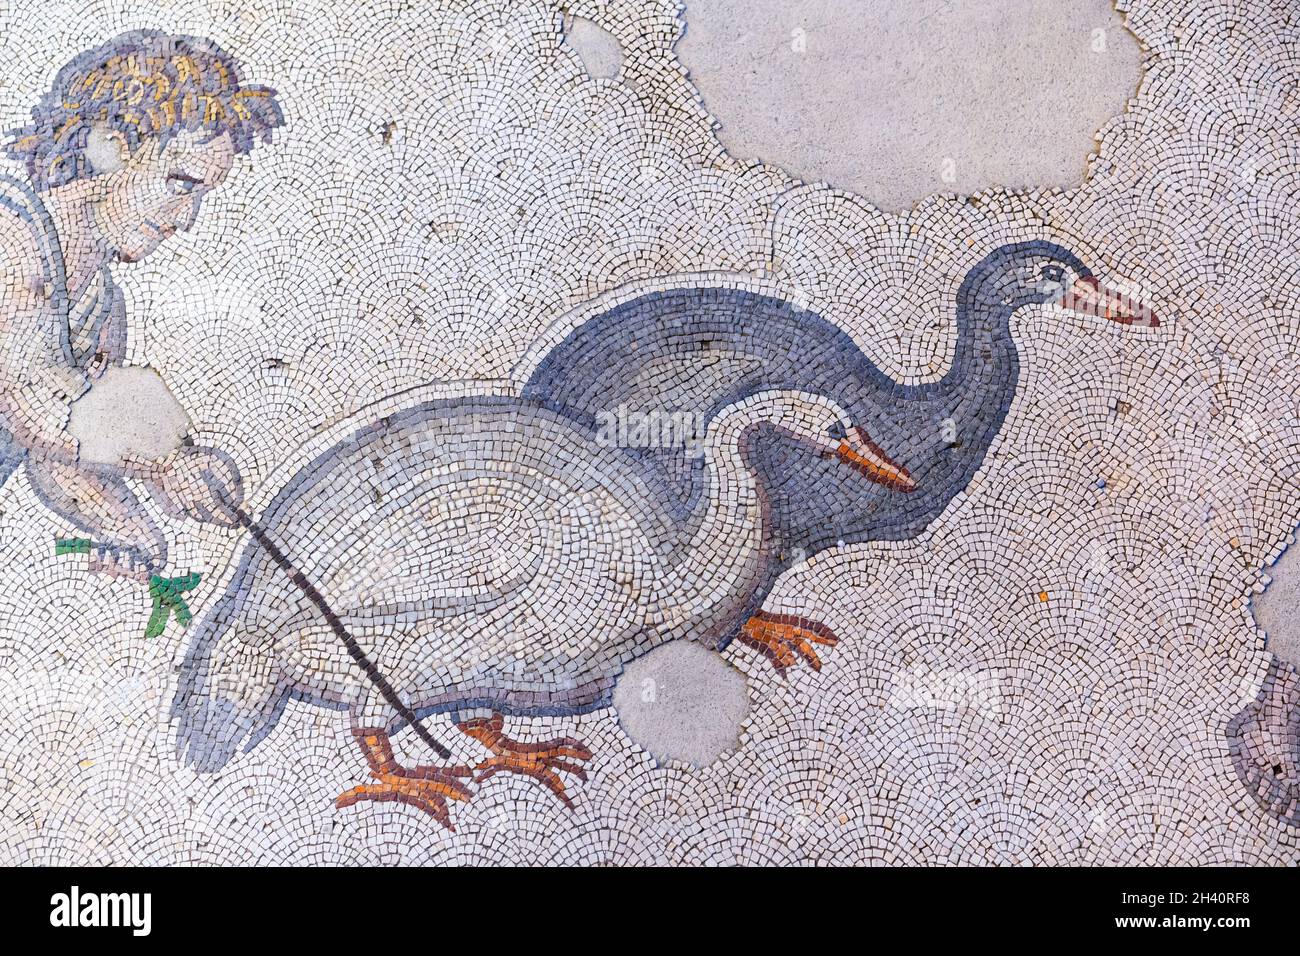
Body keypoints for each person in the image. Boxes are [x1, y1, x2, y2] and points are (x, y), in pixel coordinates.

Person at [0, 30, 283, 581]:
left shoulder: (102, 308)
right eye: (181, 184)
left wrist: (132, 531)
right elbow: (32, 398)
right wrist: (167, 461)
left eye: (202, 196)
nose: (186, 218)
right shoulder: (10, 230)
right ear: (111, 148)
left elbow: (62, 454)